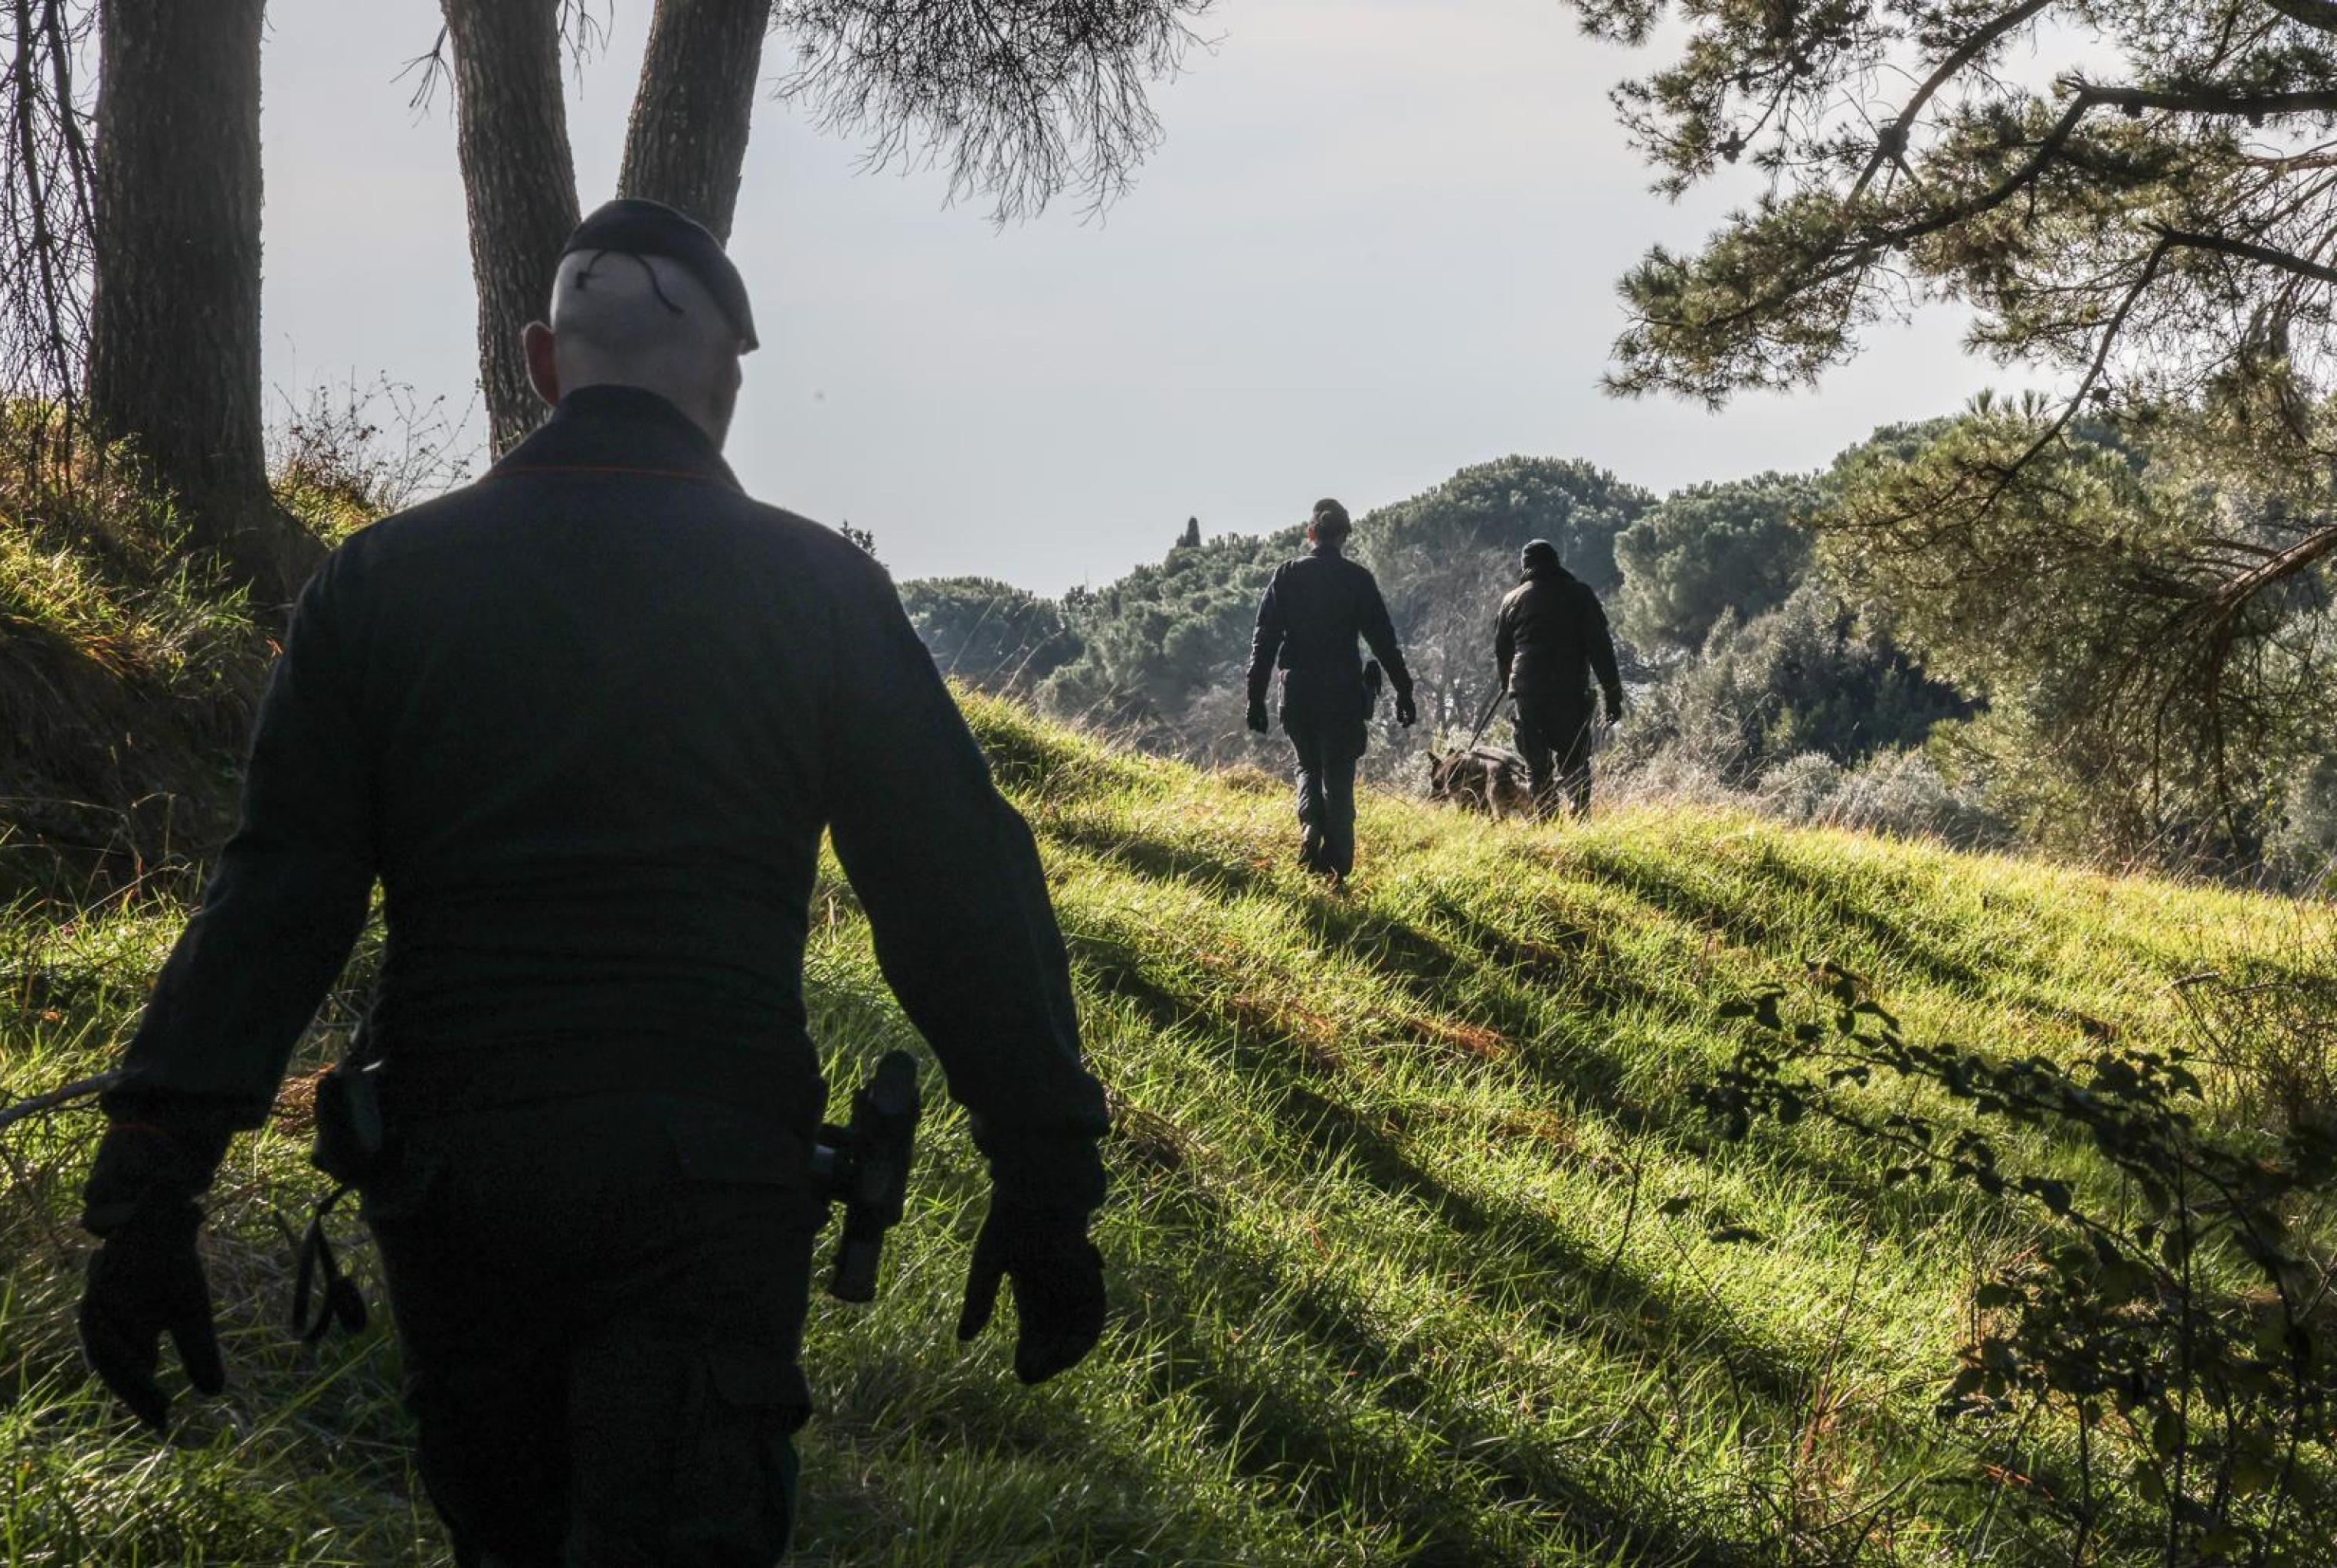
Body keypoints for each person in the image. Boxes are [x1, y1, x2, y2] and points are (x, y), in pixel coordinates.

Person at [71, 198, 1109, 1566]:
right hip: (711, 1174)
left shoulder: (377, 584)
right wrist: (1044, 1168)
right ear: (727, 382)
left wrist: (152, 1180)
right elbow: (957, 888)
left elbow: (276, 900)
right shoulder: (816, 592)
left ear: (540, 361)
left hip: (460, 1173)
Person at [1244, 499, 1416, 881]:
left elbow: (1264, 640)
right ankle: (1337, 868)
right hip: (1343, 693)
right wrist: (1404, 691)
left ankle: (1310, 825)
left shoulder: (1287, 575)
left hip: (1299, 691)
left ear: (1311, 535)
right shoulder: (1358, 579)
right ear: (1344, 537)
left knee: (1307, 764)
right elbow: (1385, 643)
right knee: (1338, 777)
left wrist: (1255, 697)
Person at [1494, 538, 1622, 816]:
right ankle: (1578, 813)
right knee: (1575, 760)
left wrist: (1509, 687)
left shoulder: (1511, 601)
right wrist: (1613, 695)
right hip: (1569, 693)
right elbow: (1601, 648)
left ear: (1525, 566)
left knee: (1536, 767)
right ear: (1556, 562)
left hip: (1528, 695)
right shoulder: (1580, 595)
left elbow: (1503, 654)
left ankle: (1544, 822)